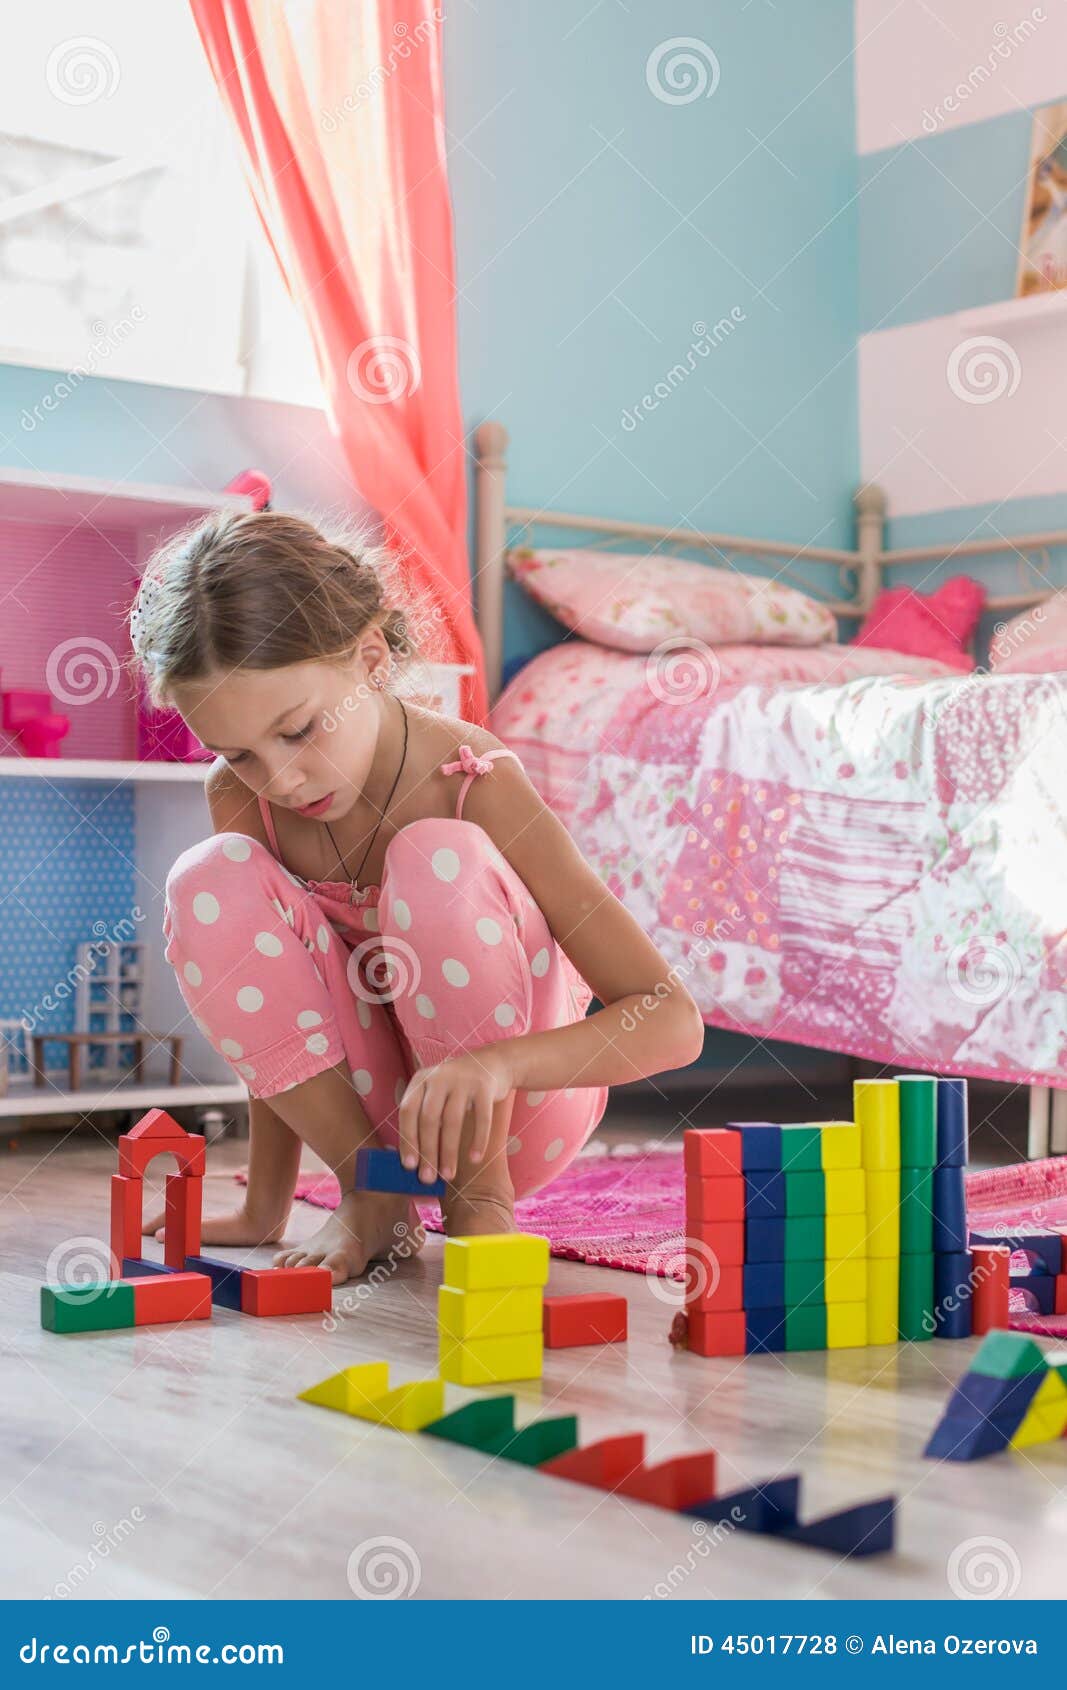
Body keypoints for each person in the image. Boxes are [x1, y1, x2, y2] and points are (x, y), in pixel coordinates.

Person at [129, 509, 704, 1282]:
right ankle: (371, 1197)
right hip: (377, 1125)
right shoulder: (244, 795)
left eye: (298, 732)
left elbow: (670, 1021)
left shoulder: (474, 778)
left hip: (517, 1112)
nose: (280, 778)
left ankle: (478, 1203)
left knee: (435, 858)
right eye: (238, 751)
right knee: (208, 879)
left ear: (370, 659)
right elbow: (278, 1016)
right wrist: (266, 1202)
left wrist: (496, 1067)